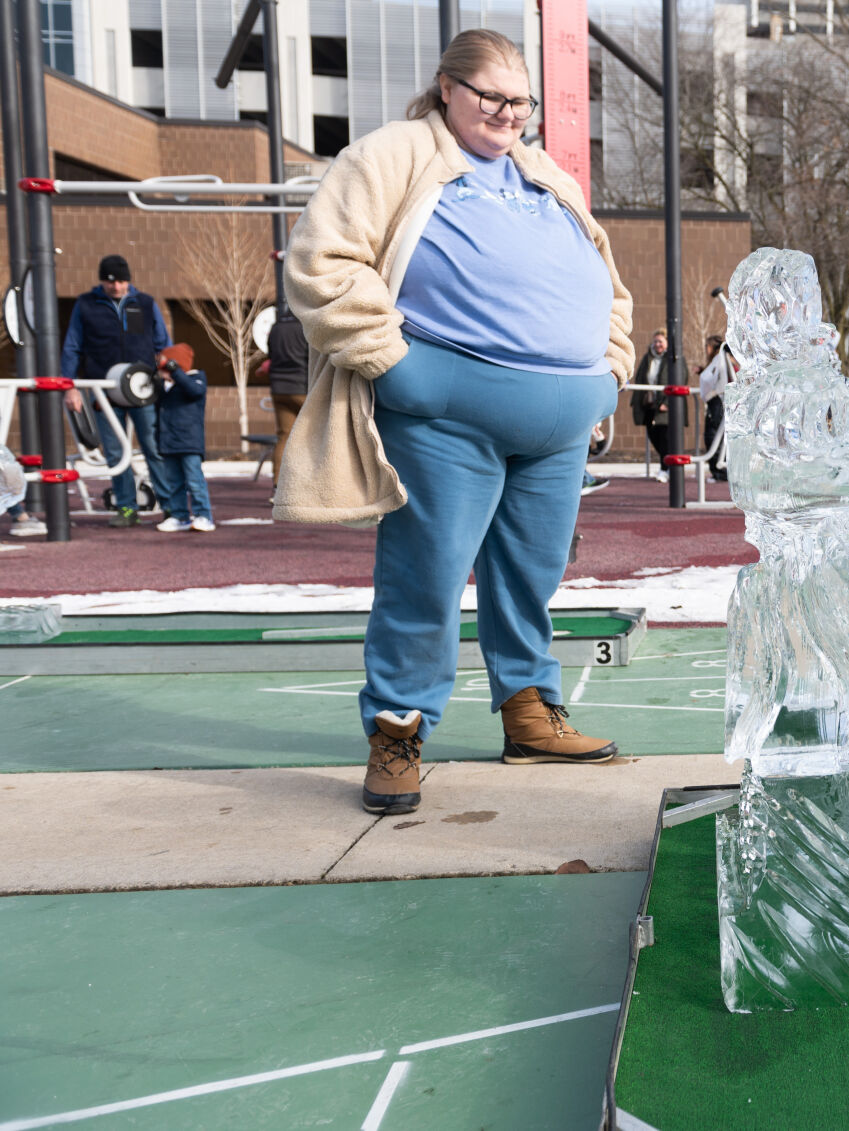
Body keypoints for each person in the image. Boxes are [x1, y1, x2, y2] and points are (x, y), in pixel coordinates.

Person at [277, 28, 635, 816]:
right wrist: (394, 364)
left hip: (561, 422)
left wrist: (609, 371)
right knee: (427, 576)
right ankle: (397, 732)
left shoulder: (544, 173)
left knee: (533, 576)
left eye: (522, 102)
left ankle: (530, 712)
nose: (509, 114)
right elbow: (321, 262)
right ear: (448, 88)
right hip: (445, 412)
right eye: (492, 97)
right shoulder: (391, 154)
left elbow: (608, 282)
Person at [61, 254, 172, 527]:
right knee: (114, 452)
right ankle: (126, 508)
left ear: (128, 280)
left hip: (142, 389)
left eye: (122, 281)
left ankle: (172, 507)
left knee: (154, 448)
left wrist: (169, 373)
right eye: (110, 282)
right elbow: (72, 347)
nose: (116, 287)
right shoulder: (86, 305)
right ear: (102, 281)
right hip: (104, 391)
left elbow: (163, 344)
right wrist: (69, 386)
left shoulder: (145, 303)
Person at [150, 343, 215, 532]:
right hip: (168, 443)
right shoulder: (164, 386)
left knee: (194, 481)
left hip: (189, 442)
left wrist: (175, 371)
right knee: (174, 483)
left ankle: (203, 515)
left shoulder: (195, 379)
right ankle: (179, 516)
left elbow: (195, 391)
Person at [629, 328, 686, 478]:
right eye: (655, 341)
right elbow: (641, 377)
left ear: (667, 343)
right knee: (653, 435)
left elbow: (681, 378)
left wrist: (668, 402)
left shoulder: (674, 358)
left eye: (660, 341)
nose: (657, 344)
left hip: (666, 405)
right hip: (650, 404)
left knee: (665, 438)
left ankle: (666, 469)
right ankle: (668, 467)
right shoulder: (648, 358)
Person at [266, 307, 309, 493]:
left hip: (279, 388)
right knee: (313, 435)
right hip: (302, 387)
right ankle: (309, 485)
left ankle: (278, 485)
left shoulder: (276, 327)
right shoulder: (305, 326)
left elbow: (270, 356)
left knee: (284, 436)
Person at [695, 333, 735, 482]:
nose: (706, 349)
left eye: (707, 346)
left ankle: (719, 471)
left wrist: (708, 392)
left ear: (711, 347)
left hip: (717, 401)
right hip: (720, 401)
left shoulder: (720, 359)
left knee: (713, 436)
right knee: (717, 436)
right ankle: (719, 470)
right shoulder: (722, 359)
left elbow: (710, 379)